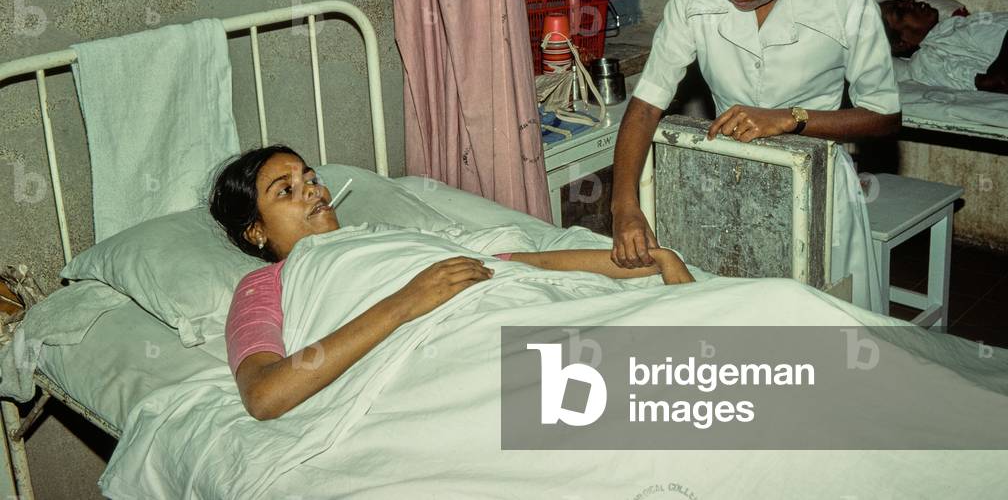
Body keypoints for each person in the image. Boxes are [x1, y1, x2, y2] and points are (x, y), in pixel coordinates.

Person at [610, 0, 901, 312]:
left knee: (817, 326)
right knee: (731, 321)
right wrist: (625, 207)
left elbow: (884, 117)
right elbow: (646, 105)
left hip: (820, 186)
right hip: (722, 180)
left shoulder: (846, 5)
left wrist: (790, 117)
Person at [209, 145, 693, 420]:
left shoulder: (384, 237)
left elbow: (523, 262)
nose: (313, 189)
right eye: (287, 191)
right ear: (256, 230)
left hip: (507, 299)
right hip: (446, 341)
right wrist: (406, 302)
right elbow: (265, 394)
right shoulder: (265, 284)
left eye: (310, 177)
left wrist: (651, 259)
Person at [880, 0, 1008, 94]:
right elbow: (997, 83)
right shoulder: (927, 59)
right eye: (900, 12)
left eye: (902, 1)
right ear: (901, 44)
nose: (910, 1)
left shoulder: (951, 28)